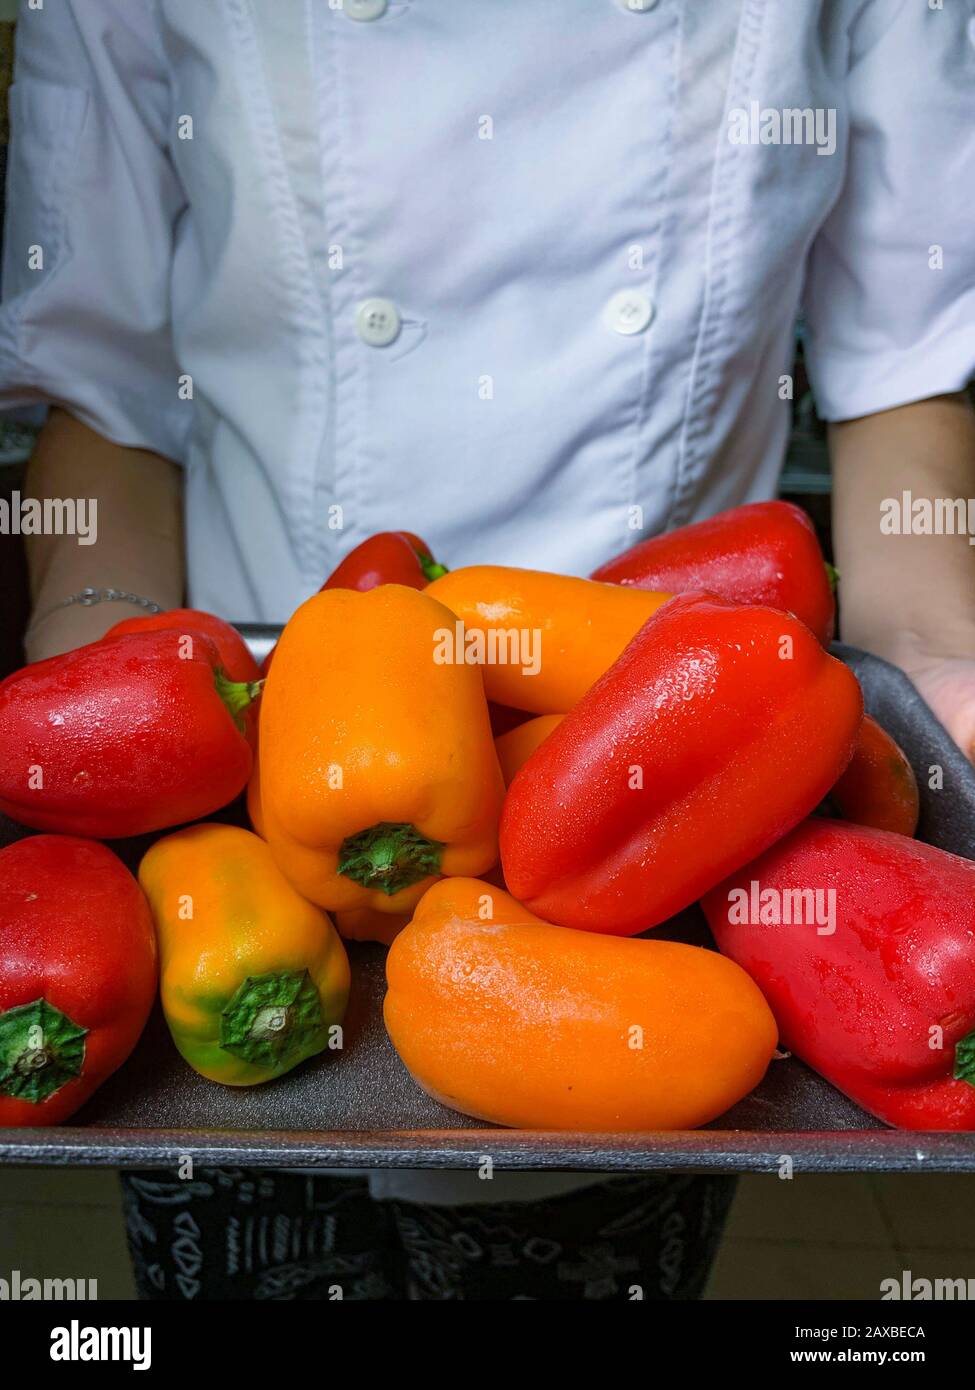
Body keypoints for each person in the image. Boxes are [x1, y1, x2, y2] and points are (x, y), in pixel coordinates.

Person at [2, 0, 974, 1301]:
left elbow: (901, 364)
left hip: (695, 852)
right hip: (245, 766)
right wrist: (102, 739)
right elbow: (107, 393)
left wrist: (941, 669)